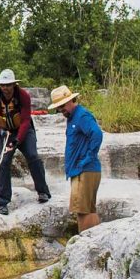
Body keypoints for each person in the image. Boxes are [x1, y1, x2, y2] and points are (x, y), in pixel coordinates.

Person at [0, 68, 51, 216]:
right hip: (4, 132)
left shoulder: (23, 96)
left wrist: (18, 139)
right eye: (3, 85)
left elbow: (26, 121)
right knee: (4, 161)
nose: (5, 88)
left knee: (33, 156)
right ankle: (2, 201)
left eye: (8, 85)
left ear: (14, 84)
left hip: (24, 131)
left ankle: (43, 191)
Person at [48, 84, 103, 232]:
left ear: (71, 100)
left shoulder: (81, 116)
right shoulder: (73, 117)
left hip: (84, 170)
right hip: (81, 170)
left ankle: (86, 244)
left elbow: (97, 134)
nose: (61, 110)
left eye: (62, 106)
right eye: (58, 108)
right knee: (89, 209)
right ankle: (96, 241)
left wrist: (87, 158)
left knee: (82, 210)